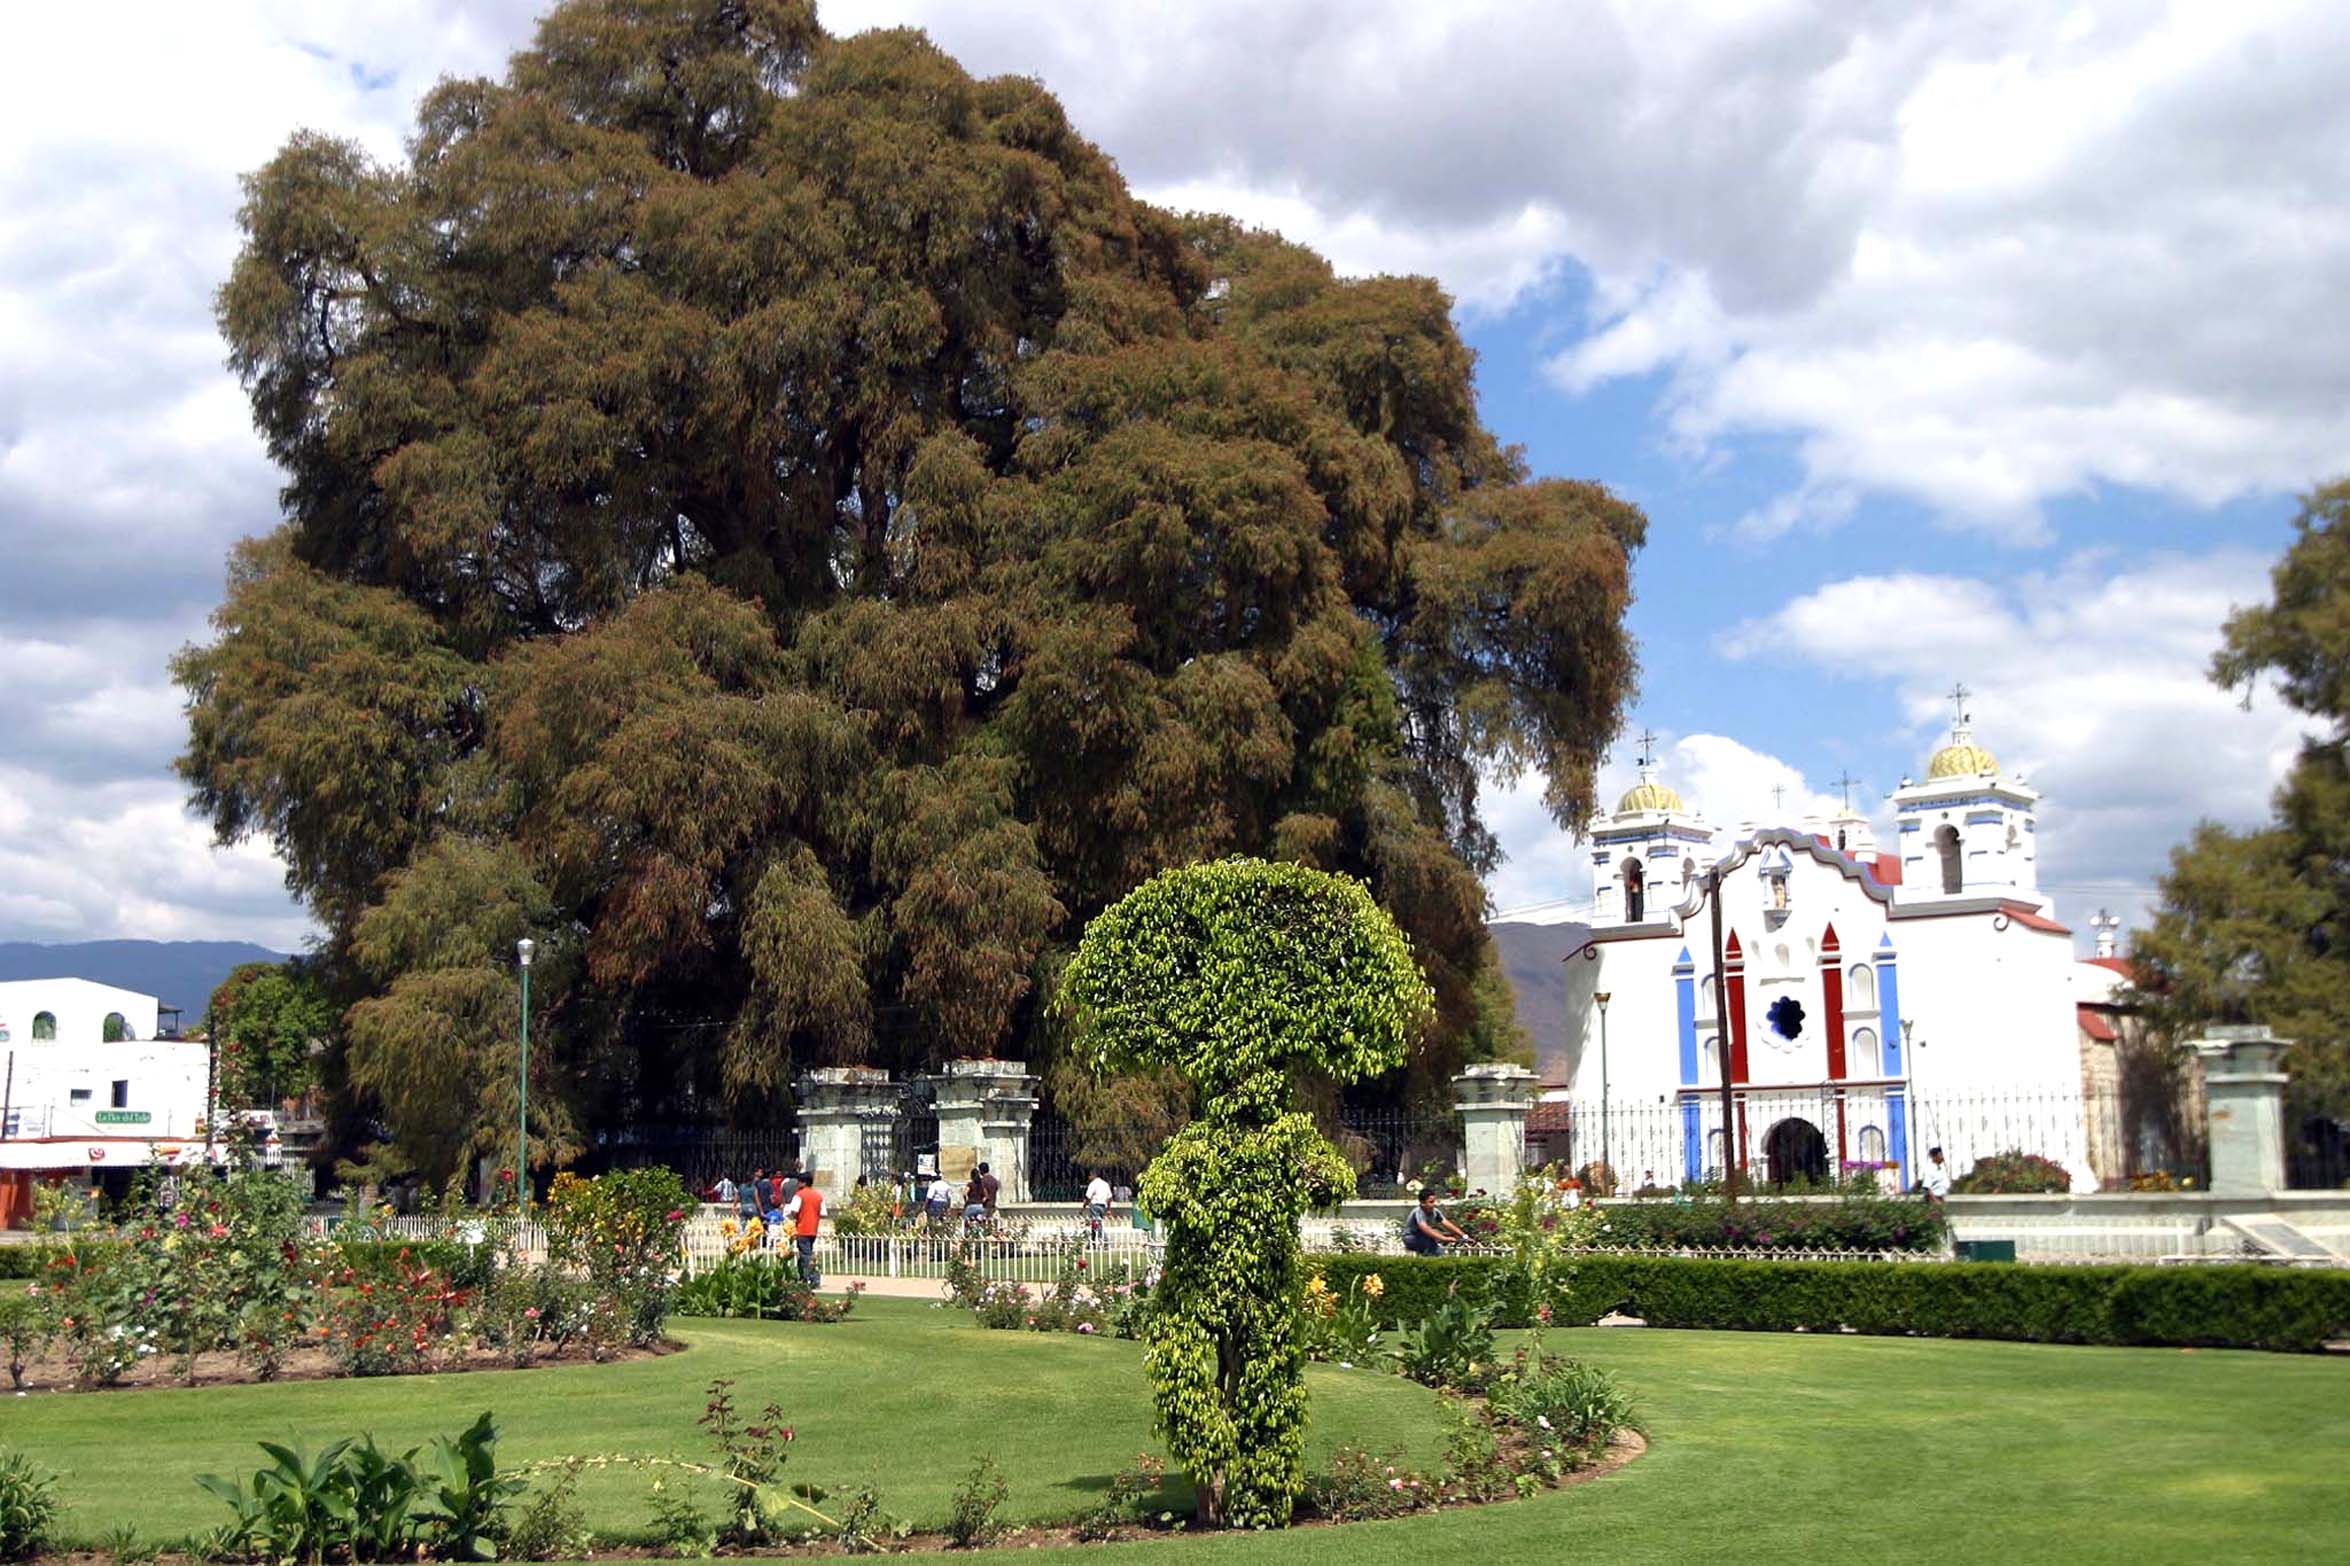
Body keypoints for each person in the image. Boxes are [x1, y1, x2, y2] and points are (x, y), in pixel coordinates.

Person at [781, 1172, 824, 1287]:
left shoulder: (799, 1195)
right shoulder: (818, 1196)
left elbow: (793, 1211)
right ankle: (802, 1277)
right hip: (813, 1228)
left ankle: (814, 1278)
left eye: (799, 1182)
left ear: (803, 1183)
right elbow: (823, 1213)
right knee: (804, 1253)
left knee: (806, 1255)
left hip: (802, 1228)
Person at [1401, 1187, 1469, 1256]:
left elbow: (1446, 1223)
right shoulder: (1418, 1212)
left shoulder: (1435, 1212)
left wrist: (1464, 1235)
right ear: (1422, 1203)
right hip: (1411, 1238)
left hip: (1424, 1237)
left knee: (1434, 1241)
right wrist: (1444, 1238)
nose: (1434, 1204)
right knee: (1434, 1248)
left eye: (1434, 1201)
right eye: (1431, 1202)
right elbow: (1425, 1228)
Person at [1084, 1172, 1113, 1239]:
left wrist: (1084, 1206)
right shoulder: (1105, 1184)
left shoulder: (1093, 1184)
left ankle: (1105, 1240)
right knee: (1095, 1223)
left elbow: (1088, 1197)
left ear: (1093, 1175)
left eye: (1089, 1176)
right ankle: (1093, 1240)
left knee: (1097, 1223)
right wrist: (1108, 1209)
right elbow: (1110, 1198)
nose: (1088, 1178)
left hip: (1094, 1206)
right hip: (1102, 1206)